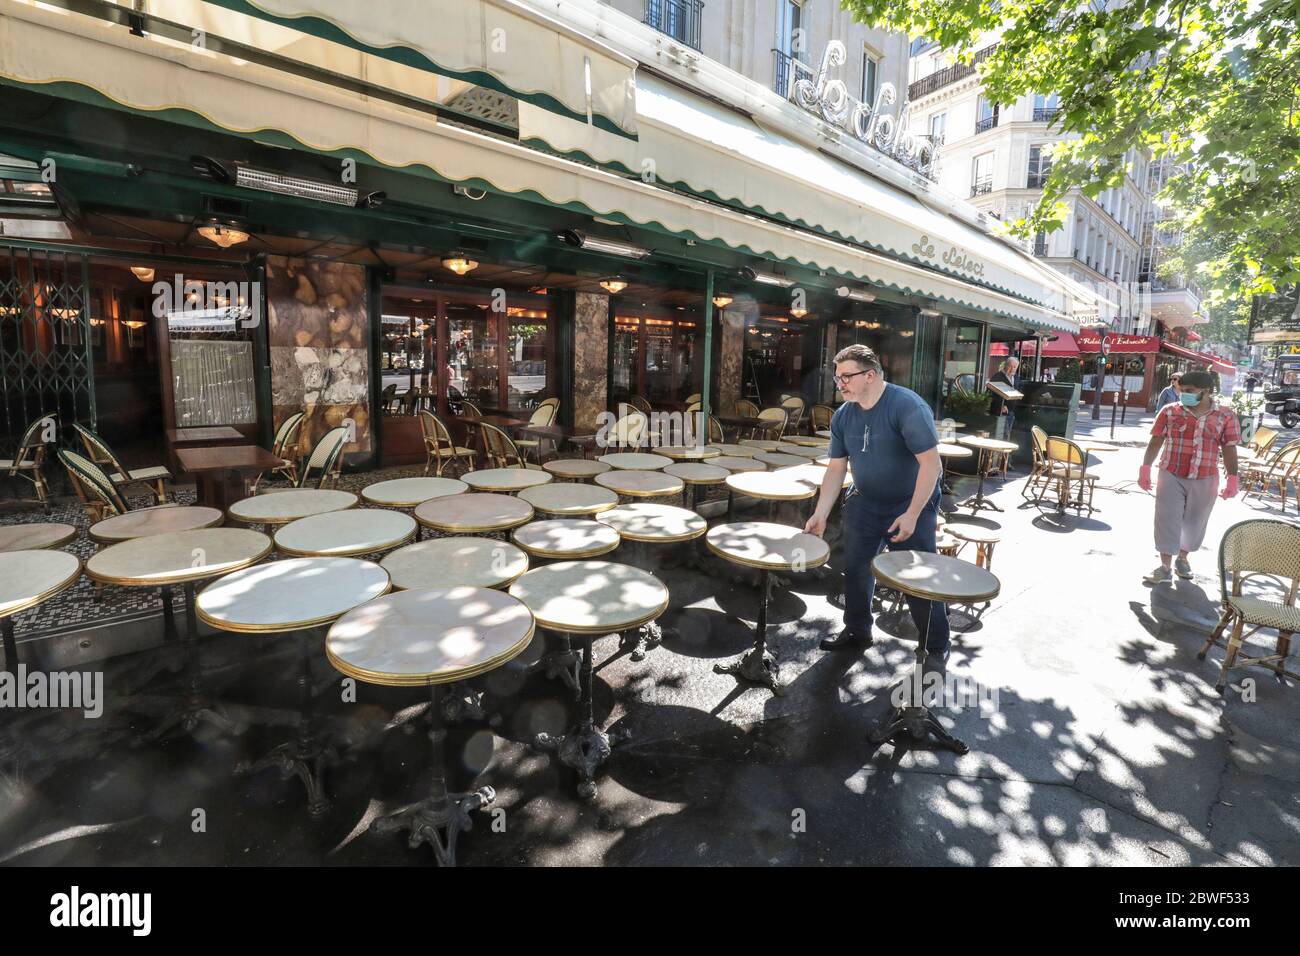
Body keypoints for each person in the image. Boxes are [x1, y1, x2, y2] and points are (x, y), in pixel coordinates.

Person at [804, 344, 948, 656]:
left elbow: (931, 465)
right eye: (837, 377)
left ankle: (936, 645)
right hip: (865, 502)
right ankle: (857, 631)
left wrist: (912, 514)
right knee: (855, 570)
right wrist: (820, 513)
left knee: (918, 577)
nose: (839, 383)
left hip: (911, 504)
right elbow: (836, 468)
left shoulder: (907, 407)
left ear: (870, 375)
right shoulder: (843, 416)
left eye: (846, 377)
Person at [1138, 370, 1240, 584]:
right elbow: (1156, 441)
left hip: (1205, 476)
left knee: (1195, 522)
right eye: (1182, 391)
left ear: (1206, 391)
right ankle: (1164, 565)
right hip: (1171, 473)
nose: (1184, 395)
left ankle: (1183, 559)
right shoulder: (1169, 412)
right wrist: (1145, 468)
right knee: (1166, 518)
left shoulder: (1225, 415)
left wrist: (1233, 478)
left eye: (1190, 391)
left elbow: (1229, 448)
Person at [987, 357, 1020, 439]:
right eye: (1010, 366)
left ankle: (1003, 452)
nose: (1012, 369)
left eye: (1014, 367)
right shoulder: (997, 377)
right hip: (1000, 412)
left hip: (1011, 412)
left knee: (1007, 434)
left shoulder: (1016, 378)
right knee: (1002, 435)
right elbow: (991, 394)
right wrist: (1001, 405)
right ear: (1005, 366)